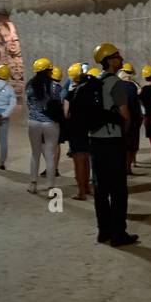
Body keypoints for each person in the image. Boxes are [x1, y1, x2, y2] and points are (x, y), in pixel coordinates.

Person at [88, 43, 138, 247]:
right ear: (109, 60)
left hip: (95, 140)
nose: (121, 58)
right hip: (112, 141)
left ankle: (103, 231)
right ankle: (118, 234)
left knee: (100, 188)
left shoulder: (94, 82)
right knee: (118, 189)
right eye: (117, 56)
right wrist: (124, 135)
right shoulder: (116, 84)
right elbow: (125, 115)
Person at [23, 57, 63, 194]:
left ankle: (33, 184)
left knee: (35, 154)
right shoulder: (55, 86)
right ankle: (51, 187)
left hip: (33, 122)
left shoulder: (29, 85)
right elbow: (61, 103)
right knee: (50, 155)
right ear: (48, 71)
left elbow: (28, 103)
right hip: (50, 123)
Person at [63, 63, 91, 200]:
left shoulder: (71, 93)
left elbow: (66, 114)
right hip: (89, 128)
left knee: (78, 161)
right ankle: (87, 187)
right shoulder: (90, 91)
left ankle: (81, 192)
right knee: (86, 159)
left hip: (76, 129)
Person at [119, 62, 143, 173]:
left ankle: (122, 166)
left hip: (120, 119)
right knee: (131, 145)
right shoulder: (133, 86)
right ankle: (128, 167)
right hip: (133, 118)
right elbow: (136, 105)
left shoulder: (116, 84)